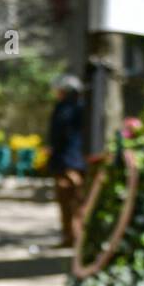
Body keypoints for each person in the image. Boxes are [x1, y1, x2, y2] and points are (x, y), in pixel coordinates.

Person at [47, 74, 87, 247]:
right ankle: (75, 238)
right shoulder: (84, 108)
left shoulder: (64, 108)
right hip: (80, 161)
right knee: (77, 201)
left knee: (69, 200)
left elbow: (58, 134)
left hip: (66, 162)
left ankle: (72, 237)